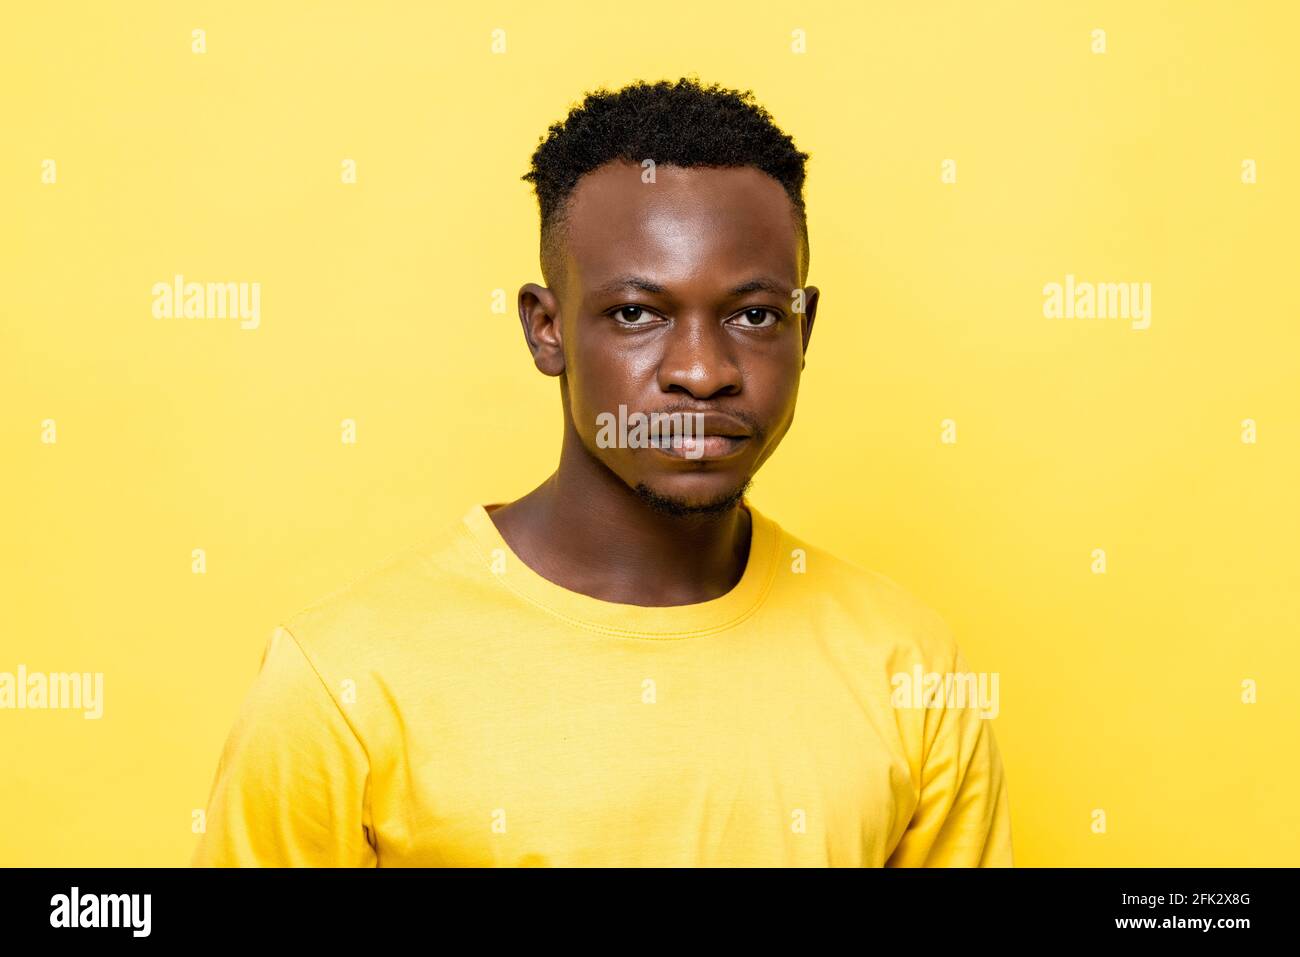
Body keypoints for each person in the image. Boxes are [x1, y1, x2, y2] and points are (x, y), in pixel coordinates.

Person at [193, 76, 1013, 867]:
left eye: (754, 314)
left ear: (804, 329)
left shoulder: (911, 668)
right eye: (637, 314)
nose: (702, 370)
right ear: (546, 329)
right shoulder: (343, 682)